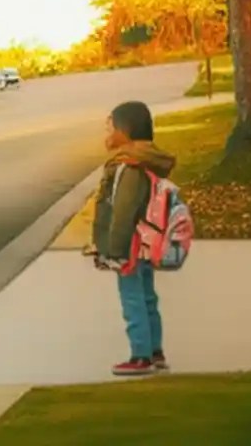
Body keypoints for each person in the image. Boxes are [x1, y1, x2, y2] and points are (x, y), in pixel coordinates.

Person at [87, 101, 176, 376]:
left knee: (133, 298)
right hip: (147, 241)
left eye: (110, 126)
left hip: (130, 245)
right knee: (147, 296)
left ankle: (140, 355)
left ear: (124, 131)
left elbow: (123, 211)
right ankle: (155, 351)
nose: (107, 132)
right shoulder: (147, 160)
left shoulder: (128, 166)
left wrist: (114, 251)